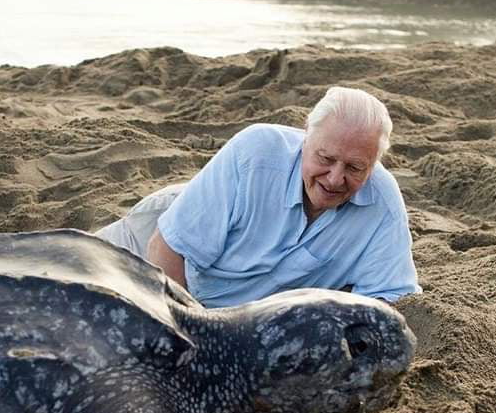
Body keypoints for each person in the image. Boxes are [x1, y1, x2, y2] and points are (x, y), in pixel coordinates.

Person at [95, 86, 421, 306]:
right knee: (60, 272)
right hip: (161, 234)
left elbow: (392, 299)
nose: (335, 178)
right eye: (325, 159)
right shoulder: (256, 152)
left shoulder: (382, 204)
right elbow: (167, 247)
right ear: (305, 137)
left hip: (232, 302)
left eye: (355, 167)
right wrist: (187, 331)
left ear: (375, 164)